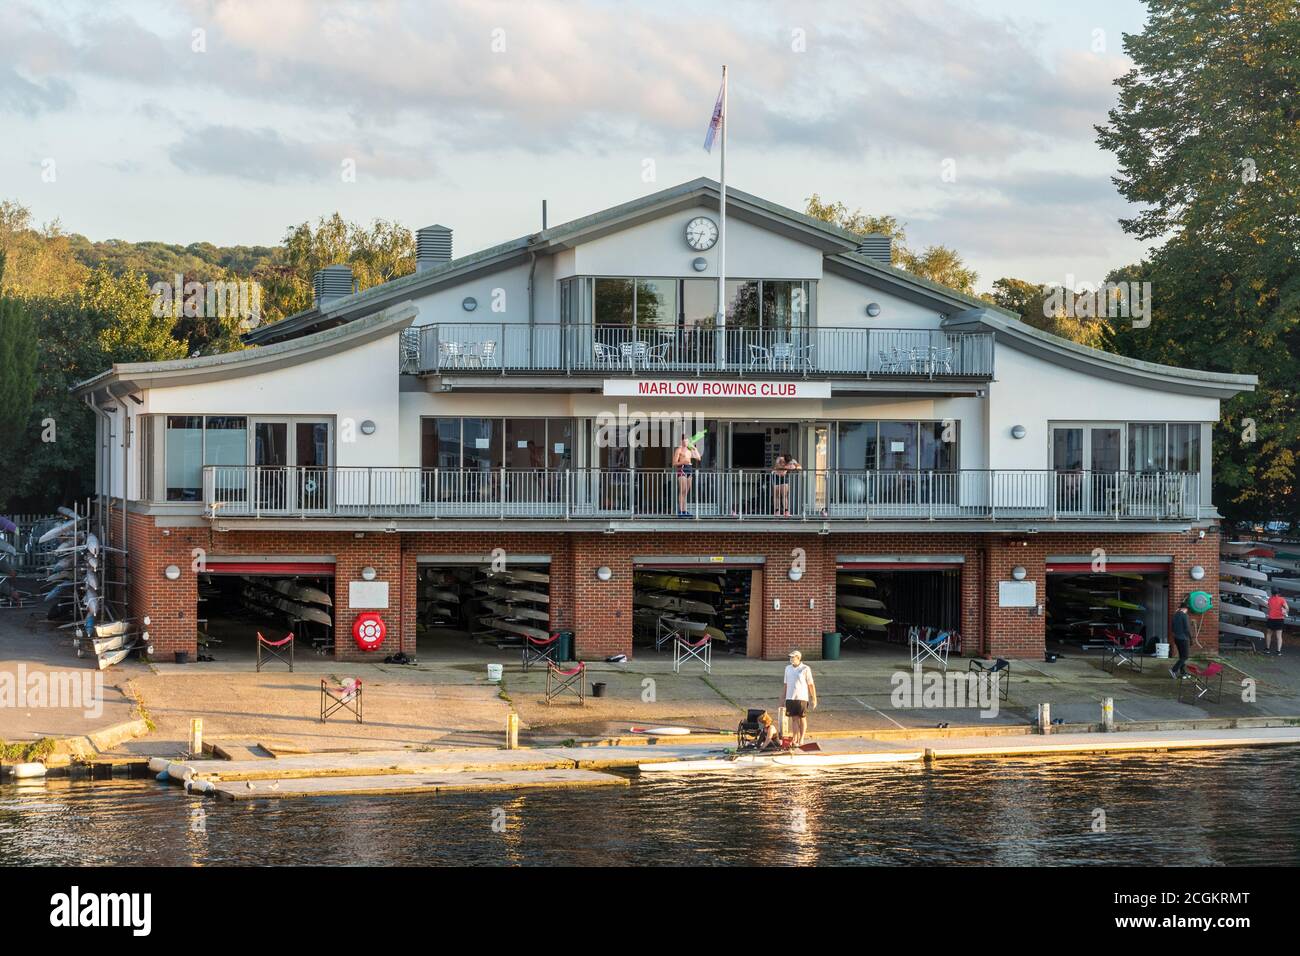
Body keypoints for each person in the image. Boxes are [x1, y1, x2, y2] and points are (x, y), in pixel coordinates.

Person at [782, 649, 817, 746]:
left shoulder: (805, 669)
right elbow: (785, 684)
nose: (791, 659)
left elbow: (811, 684)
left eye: (793, 657)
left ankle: (801, 738)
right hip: (790, 697)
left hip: (802, 698)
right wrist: (782, 698)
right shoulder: (787, 668)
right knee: (794, 719)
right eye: (790, 657)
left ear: (798, 658)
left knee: (802, 718)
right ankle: (795, 738)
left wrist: (814, 698)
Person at [672, 434, 701, 517]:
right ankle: (680, 510)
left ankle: (684, 510)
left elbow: (698, 458)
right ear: (681, 441)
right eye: (685, 440)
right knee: (682, 490)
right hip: (682, 469)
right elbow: (674, 463)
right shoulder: (679, 450)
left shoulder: (690, 450)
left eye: (688, 440)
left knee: (686, 492)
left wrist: (695, 449)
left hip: (689, 469)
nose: (686, 441)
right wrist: (682, 462)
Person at [772, 452, 802, 516]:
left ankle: (786, 511)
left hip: (784, 477)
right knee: (777, 495)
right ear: (784, 459)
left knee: (784, 495)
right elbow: (777, 466)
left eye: (788, 462)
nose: (787, 462)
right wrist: (787, 467)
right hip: (776, 476)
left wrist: (795, 467)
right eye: (786, 461)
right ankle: (777, 511)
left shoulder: (792, 461)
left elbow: (800, 467)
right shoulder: (779, 459)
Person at [1169, 598, 1192, 678]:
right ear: (1185, 609)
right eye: (1187, 609)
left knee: (1182, 656)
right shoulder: (1184, 616)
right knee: (1185, 656)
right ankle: (1173, 670)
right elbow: (1187, 629)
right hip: (1183, 639)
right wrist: (1191, 638)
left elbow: (1172, 628)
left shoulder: (1175, 615)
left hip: (1176, 638)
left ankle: (1183, 672)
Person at [1265, 589, 1289, 656]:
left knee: (1269, 634)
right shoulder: (1282, 599)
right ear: (1278, 593)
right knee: (1279, 636)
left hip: (1271, 619)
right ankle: (1278, 651)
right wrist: (1285, 611)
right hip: (1279, 619)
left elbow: (1269, 607)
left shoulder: (1270, 599)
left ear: (1272, 593)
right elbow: (1287, 608)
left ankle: (1267, 649)